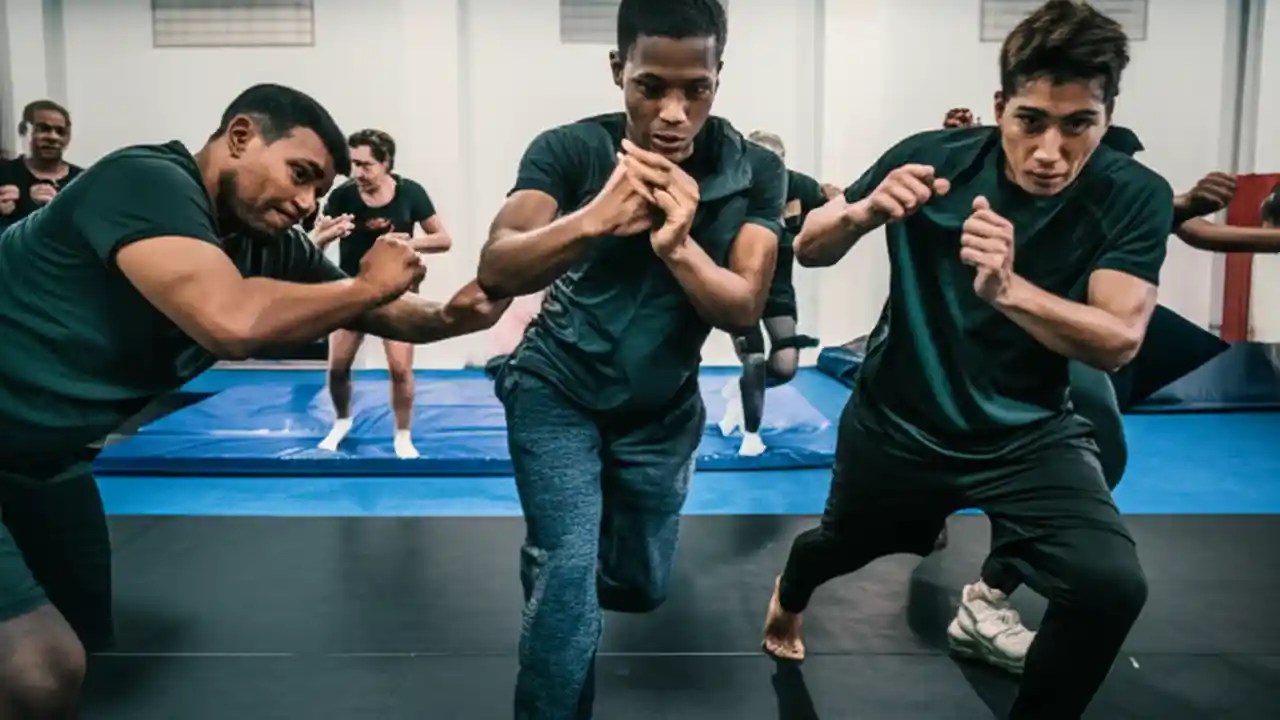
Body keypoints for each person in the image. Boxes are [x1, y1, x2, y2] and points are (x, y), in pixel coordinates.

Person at [0, 83, 505, 719]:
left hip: (45, 458)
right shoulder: (146, 180)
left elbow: (406, 315)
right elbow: (231, 321)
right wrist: (370, 284)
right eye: (300, 175)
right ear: (240, 137)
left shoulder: (269, 244)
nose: (305, 203)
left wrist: (484, 298)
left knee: (86, 634)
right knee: (39, 670)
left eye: (318, 191)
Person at [761, 3, 1170, 717]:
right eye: (1031, 121)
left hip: (1028, 435)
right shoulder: (935, 159)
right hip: (899, 425)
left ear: (1108, 117)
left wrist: (1009, 290)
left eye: (1079, 125)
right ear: (998, 107)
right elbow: (810, 246)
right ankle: (791, 592)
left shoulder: (1134, 194)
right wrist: (862, 213)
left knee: (1110, 585)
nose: (1050, 150)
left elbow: (1119, 338)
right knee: (843, 545)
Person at [477, 0, 784, 715]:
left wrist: (676, 244)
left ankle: (564, 573)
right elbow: (497, 264)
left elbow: (741, 306)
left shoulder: (754, 169)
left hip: (662, 408)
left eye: (694, 89)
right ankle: (558, 580)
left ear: (717, 80)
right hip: (555, 388)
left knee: (640, 585)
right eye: (651, 87)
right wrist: (594, 219)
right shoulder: (571, 149)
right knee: (567, 575)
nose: (673, 112)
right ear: (619, 72)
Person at [311, 129, 454, 459]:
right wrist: (327, 234)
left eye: (366, 165)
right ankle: (342, 421)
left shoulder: (411, 193)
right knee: (337, 368)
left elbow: (443, 240)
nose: (358, 172)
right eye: (354, 164)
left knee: (400, 370)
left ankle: (402, 435)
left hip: (397, 295)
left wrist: (407, 242)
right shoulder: (343, 195)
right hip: (350, 291)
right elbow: (316, 241)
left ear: (386, 163)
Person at [719, 130, 837, 456]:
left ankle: (742, 389)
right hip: (737, 285)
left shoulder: (799, 186)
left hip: (778, 286)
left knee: (785, 365)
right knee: (754, 357)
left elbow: (838, 203)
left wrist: (839, 198)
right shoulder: (730, 187)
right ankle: (751, 434)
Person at [0, 100, 83, 229]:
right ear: (23, 129)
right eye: (43, 129)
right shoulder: (4, 173)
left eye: (60, 131)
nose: (53, 137)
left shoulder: (83, 180)